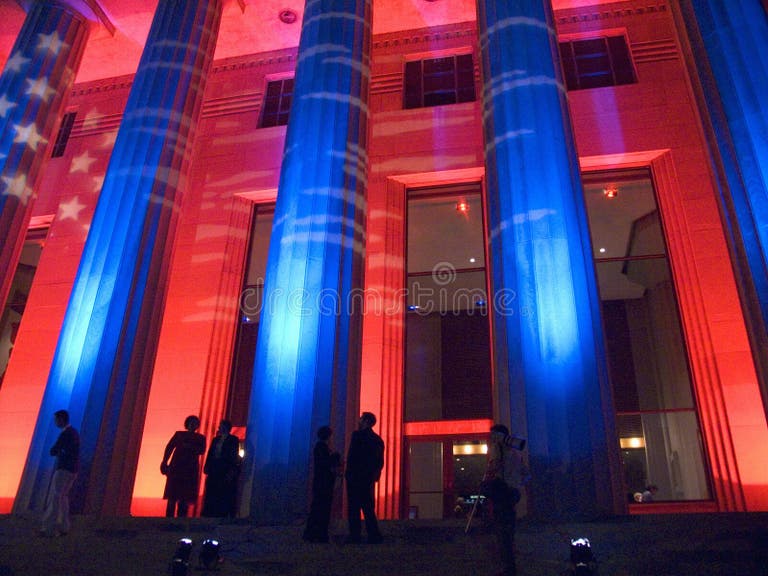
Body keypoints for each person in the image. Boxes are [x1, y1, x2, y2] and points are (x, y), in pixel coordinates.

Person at [482, 423, 529, 576]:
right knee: (509, 533)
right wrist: (516, 485)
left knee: (502, 535)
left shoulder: (498, 449)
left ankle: (507, 569)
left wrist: (489, 477)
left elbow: (494, 467)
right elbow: (526, 474)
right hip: (512, 494)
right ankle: (510, 568)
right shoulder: (515, 452)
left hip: (502, 494)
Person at [344, 411, 384, 544]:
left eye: (361, 419)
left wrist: (348, 474)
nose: (359, 421)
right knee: (368, 508)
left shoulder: (357, 436)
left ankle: (355, 536)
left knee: (354, 508)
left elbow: (352, 457)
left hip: (355, 477)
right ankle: (373, 535)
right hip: (367, 479)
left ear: (366, 421)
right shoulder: (377, 439)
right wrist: (375, 476)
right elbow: (380, 461)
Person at [40, 409, 80, 537]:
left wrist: (58, 451)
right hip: (72, 469)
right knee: (63, 497)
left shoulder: (65, 434)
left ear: (61, 419)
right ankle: (64, 526)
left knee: (56, 496)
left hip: (63, 469)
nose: (55, 422)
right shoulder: (73, 433)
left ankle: (49, 528)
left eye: (56, 420)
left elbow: (54, 450)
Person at [161, 415, 206, 517]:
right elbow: (169, 447)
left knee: (184, 497)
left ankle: (181, 521)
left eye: (195, 423)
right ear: (187, 424)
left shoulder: (200, 438)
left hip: (190, 469)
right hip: (177, 467)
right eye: (191, 423)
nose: (193, 425)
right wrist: (164, 461)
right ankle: (169, 521)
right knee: (172, 495)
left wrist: (190, 447)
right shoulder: (179, 435)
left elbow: (202, 450)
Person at [303, 425, 342, 543]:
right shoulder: (322, 447)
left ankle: (312, 533)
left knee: (317, 508)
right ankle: (319, 534)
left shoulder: (320, 447)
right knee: (322, 509)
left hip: (321, 482)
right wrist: (335, 457)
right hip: (324, 483)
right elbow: (325, 463)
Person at [201, 419, 241, 518]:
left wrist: (232, 469)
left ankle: (221, 512)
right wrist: (207, 466)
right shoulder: (216, 439)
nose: (219, 427)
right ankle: (209, 512)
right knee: (211, 489)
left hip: (224, 468)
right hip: (214, 467)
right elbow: (210, 453)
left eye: (221, 426)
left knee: (222, 490)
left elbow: (233, 454)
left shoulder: (233, 439)